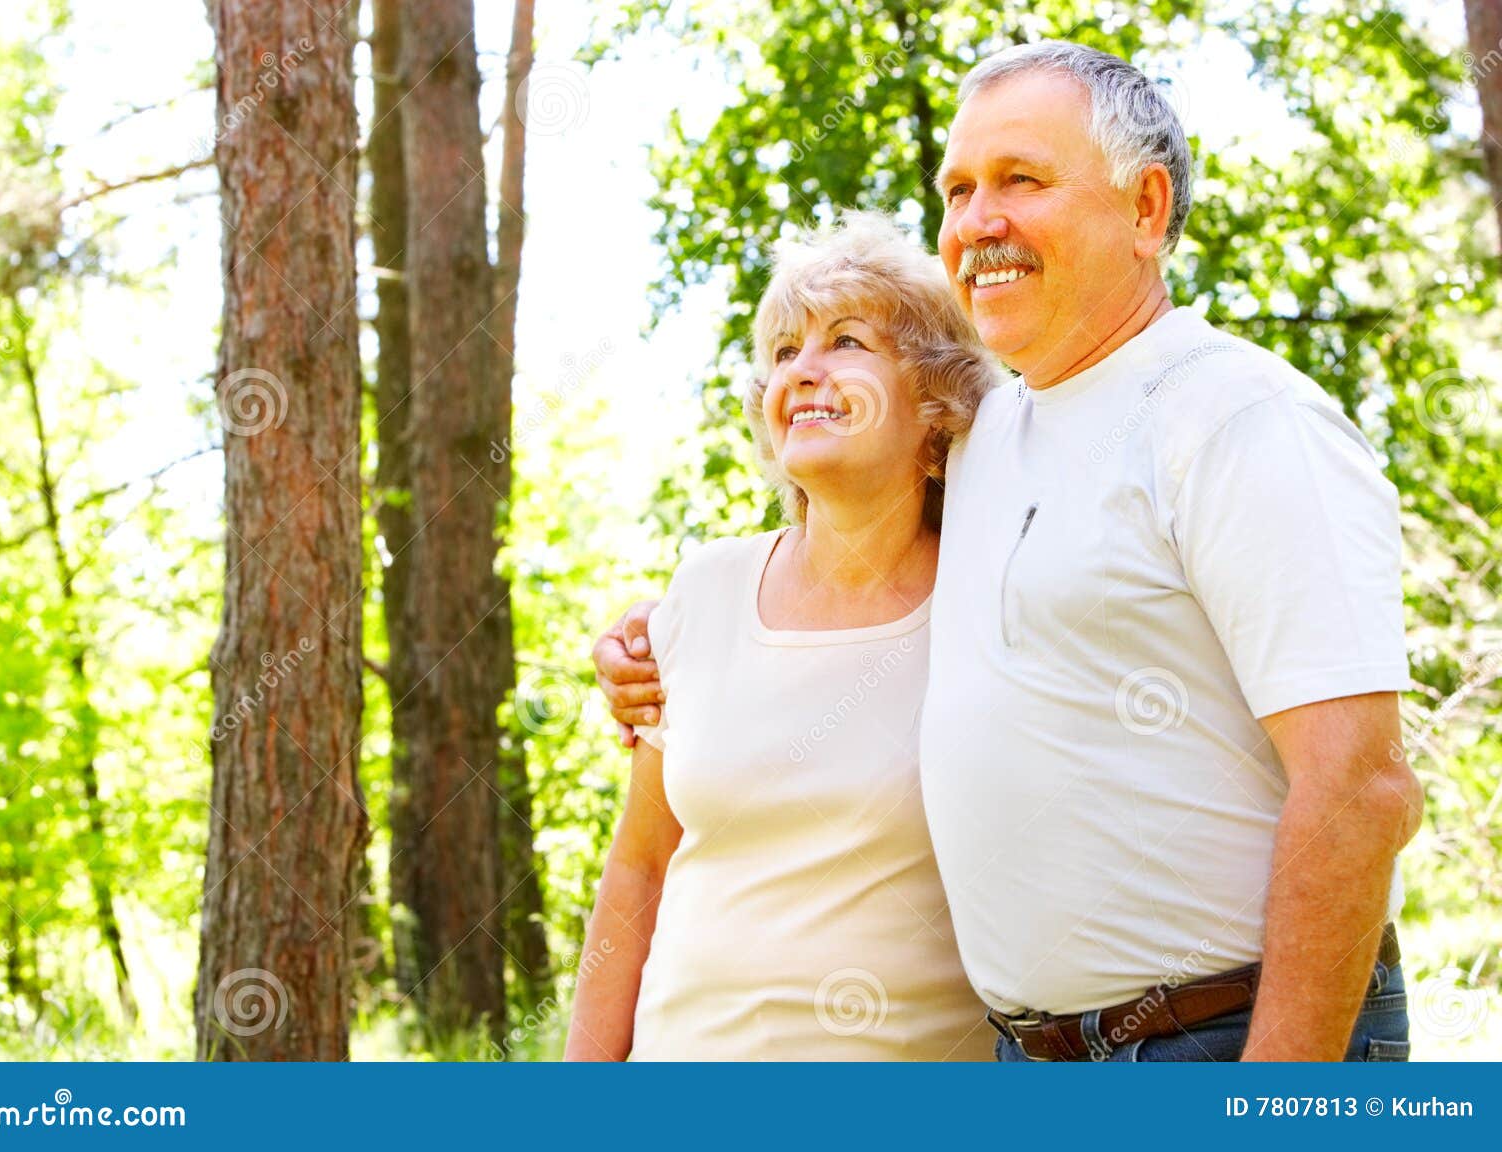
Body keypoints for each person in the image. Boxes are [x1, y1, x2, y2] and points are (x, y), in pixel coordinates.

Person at [594, 41, 1422, 1062]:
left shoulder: (1236, 417)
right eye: (957, 190)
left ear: (1144, 209)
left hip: (1220, 1038)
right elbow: (835, 569)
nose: (978, 221)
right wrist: (643, 643)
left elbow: (1359, 787)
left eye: (1020, 180)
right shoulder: (988, 444)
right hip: (1028, 1063)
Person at [564, 212, 1001, 1060]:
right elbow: (639, 870)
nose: (803, 371)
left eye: (846, 342)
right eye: (782, 352)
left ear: (934, 401)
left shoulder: (992, 601)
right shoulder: (703, 592)